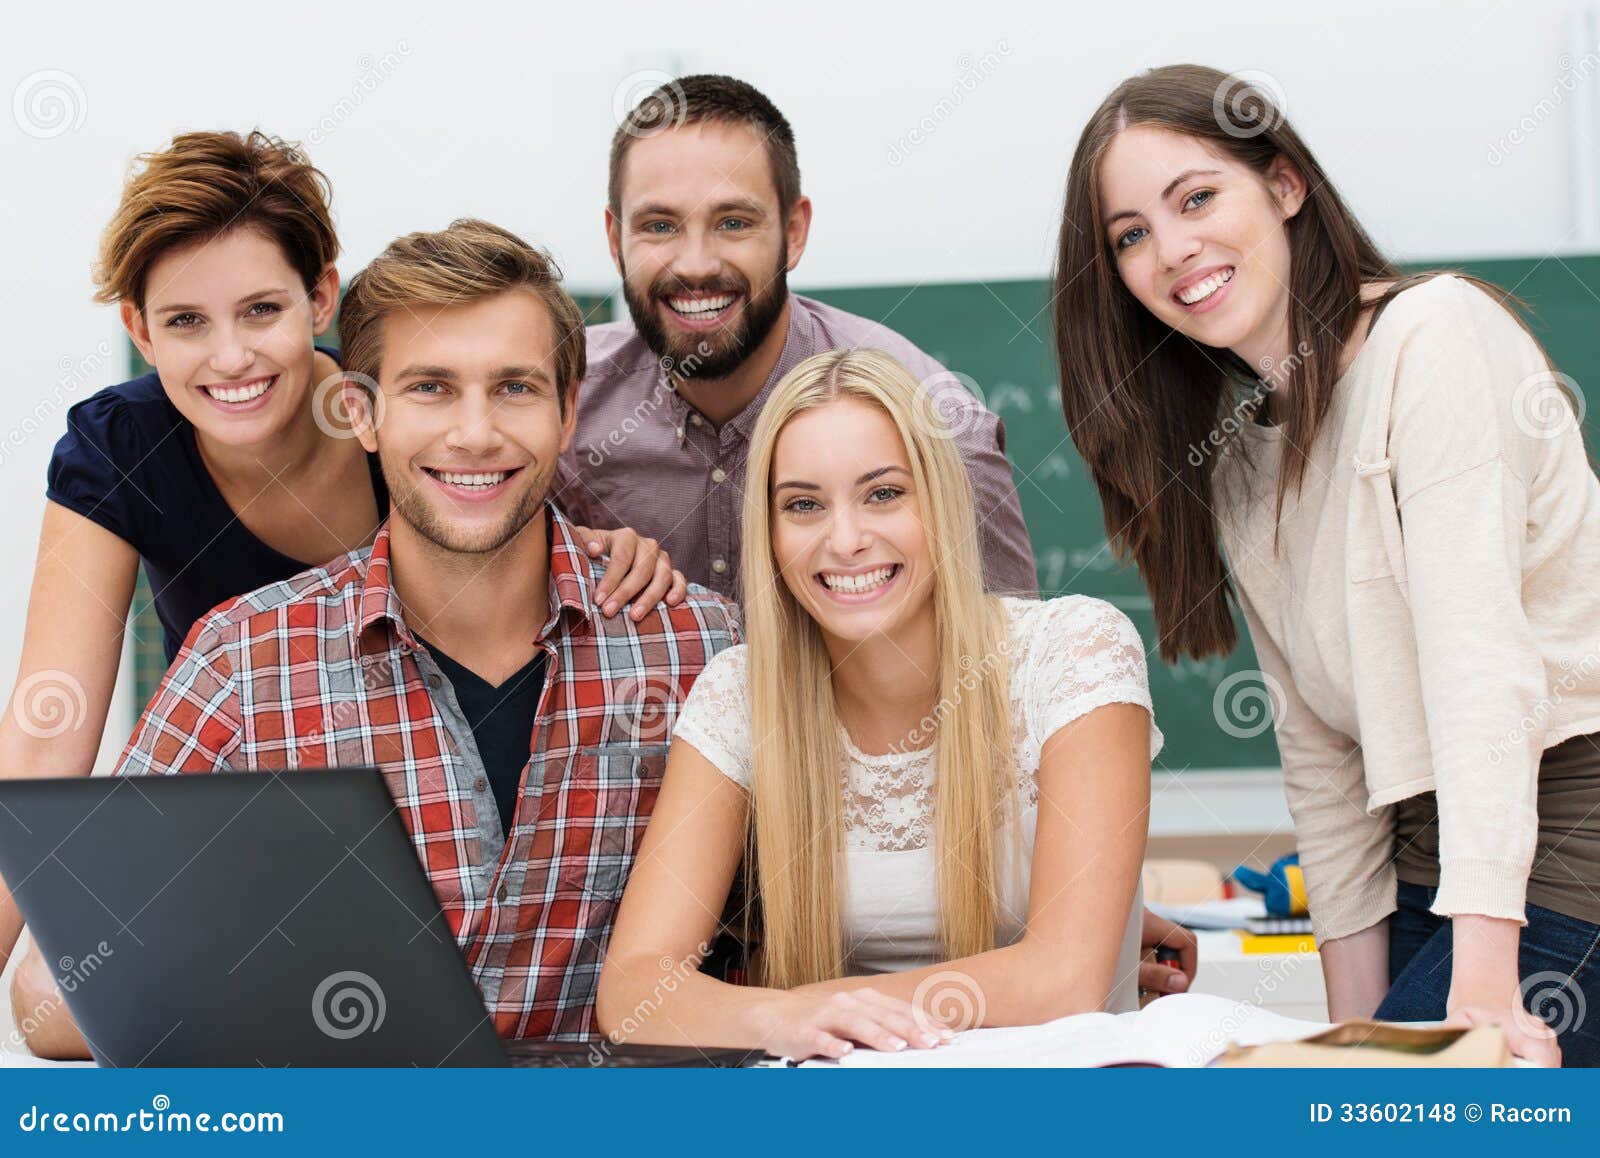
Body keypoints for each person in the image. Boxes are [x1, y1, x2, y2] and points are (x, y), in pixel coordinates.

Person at [11, 219, 740, 1059]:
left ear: (569, 410)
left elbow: (801, 938)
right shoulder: (241, 664)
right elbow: (51, 1000)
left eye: (515, 388)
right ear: (359, 412)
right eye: (430, 387)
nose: (474, 433)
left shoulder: (698, 650)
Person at [564, 73, 1195, 989]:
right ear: (615, 235)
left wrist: (1079, 897)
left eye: (734, 222)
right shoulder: (551, 412)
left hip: (894, 956)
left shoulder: (937, 424)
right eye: (659, 224)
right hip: (616, 908)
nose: (695, 261)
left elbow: (997, 710)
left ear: (796, 229)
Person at [1055, 63, 1600, 1066]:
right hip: (1430, 870)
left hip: (1565, 847)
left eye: (1196, 198)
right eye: (1130, 234)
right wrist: (1353, 1036)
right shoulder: (1241, 464)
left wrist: (1480, 976)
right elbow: (1323, 767)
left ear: (1286, 185)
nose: (1171, 251)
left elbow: (1484, 672)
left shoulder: (1430, 337)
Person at [597, 348, 1158, 1060]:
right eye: (803, 505)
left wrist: (816, 1009)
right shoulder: (739, 694)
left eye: (884, 494)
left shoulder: (1074, 650)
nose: (846, 539)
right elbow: (633, 992)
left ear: (940, 501)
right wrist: (781, 1023)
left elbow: (1064, 978)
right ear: (768, 536)